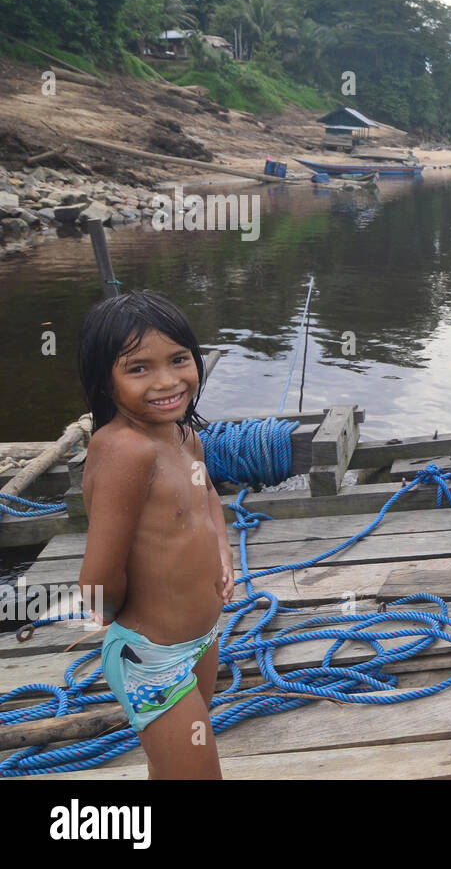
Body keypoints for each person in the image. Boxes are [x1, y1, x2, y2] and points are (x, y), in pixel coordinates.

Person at [77, 290, 233, 779]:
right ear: (106, 380)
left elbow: (204, 491)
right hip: (150, 658)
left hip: (203, 636)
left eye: (179, 360)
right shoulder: (126, 452)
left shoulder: (182, 434)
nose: (168, 381)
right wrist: (113, 619)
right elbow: (98, 575)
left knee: (172, 765)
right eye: (139, 368)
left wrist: (223, 552)